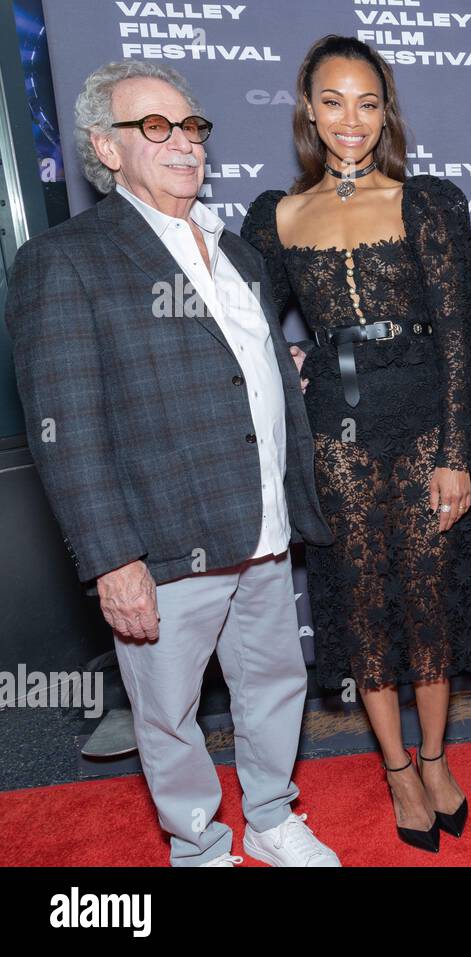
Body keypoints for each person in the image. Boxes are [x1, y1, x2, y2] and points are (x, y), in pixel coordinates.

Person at [4, 61, 339, 866]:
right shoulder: (68, 260)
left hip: (259, 520)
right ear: (105, 149)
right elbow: (67, 427)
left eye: (191, 127)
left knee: (274, 686)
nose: (183, 142)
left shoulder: (238, 253)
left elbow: (235, 369)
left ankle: (270, 814)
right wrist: (112, 559)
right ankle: (198, 846)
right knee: (167, 711)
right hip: (160, 540)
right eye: (155, 127)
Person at [242, 35, 471, 853]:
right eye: (334, 101)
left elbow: (454, 336)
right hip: (335, 431)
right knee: (365, 603)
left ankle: (439, 757)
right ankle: (397, 768)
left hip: (420, 425)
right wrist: (293, 360)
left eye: (368, 103)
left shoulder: (426, 202)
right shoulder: (276, 216)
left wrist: (455, 452)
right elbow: (250, 330)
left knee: (430, 598)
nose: (351, 120)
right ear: (309, 107)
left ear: (387, 112)